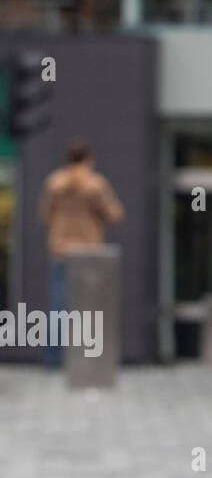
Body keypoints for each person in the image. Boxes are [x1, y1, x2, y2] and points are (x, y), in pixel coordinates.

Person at [38, 137, 124, 367]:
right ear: (88, 158)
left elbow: (45, 215)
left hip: (60, 249)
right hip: (89, 251)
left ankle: (53, 359)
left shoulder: (54, 182)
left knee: (58, 304)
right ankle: (88, 356)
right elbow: (114, 214)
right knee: (90, 305)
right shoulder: (95, 184)